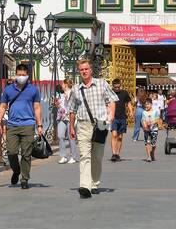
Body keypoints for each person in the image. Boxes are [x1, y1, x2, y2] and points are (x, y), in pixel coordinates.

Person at [67, 57, 118, 198]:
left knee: (97, 156)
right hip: (83, 125)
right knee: (84, 155)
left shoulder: (101, 84)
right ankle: (85, 186)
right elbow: (71, 110)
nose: (84, 72)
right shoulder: (76, 89)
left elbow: (112, 100)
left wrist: (111, 115)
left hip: (100, 125)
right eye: (81, 70)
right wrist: (71, 127)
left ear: (91, 70)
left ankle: (94, 183)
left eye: (86, 69)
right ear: (79, 72)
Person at [0, 63, 43, 190]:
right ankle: (16, 170)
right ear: (15, 75)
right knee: (12, 152)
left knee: (26, 154)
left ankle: (24, 179)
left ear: (27, 75)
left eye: (23, 75)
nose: (21, 77)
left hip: (28, 125)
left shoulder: (33, 90)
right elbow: (3, 106)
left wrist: (39, 125)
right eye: (19, 74)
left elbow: (37, 108)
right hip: (12, 125)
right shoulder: (9, 90)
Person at [55, 77, 77, 165]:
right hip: (61, 117)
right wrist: (57, 104)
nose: (61, 86)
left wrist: (67, 98)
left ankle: (73, 156)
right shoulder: (60, 94)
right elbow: (60, 105)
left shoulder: (72, 93)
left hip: (70, 117)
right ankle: (63, 156)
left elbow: (74, 104)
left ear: (66, 85)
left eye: (63, 84)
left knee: (71, 137)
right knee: (60, 136)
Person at [110, 80, 132, 162]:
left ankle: (118, 154)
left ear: (120, 86)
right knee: (114, 135)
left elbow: (128, 102)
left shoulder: (124, 93)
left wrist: (131, 111)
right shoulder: (110, 93)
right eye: (115, 87)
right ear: (113, 87)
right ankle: (113, 154)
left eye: (118, 87)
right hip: (113, 117)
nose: (117, 88)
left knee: (120, 137)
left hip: (122, 117)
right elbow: (106, 103)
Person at [140, 96, 161, 161]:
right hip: (146, 130)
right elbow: (143, 120)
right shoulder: (144, 112)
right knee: (147, 142)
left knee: (153, 144)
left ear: (151, 104)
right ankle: (149, 156)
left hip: (154, 129)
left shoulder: (155, 112)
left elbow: (157, 120)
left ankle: (152, 153)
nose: (146, 106)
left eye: (148, 104)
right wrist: (145, 125)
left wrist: (152, 122)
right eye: (145, 104)